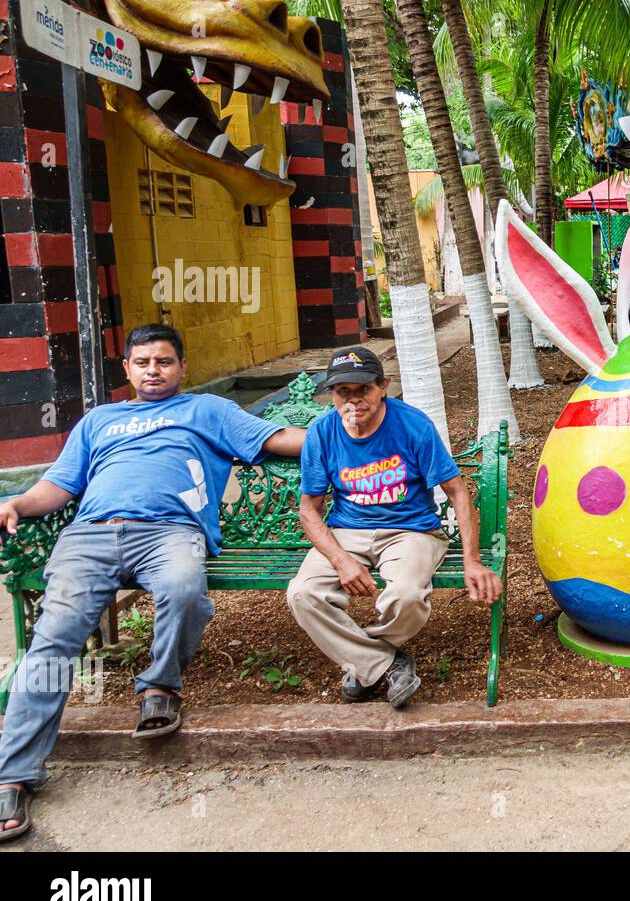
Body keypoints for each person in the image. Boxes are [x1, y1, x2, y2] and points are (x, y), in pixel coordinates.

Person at [0, 324, 306, 844]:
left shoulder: (208, 411)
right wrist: (16, 504)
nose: (153, 371)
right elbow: (60, 484)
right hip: (90, 537)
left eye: (164, 362)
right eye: (142, 362)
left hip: (170, 532)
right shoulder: (98, 421)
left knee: (186, 591)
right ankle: (13, 776)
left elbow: (280, 439)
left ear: (182, 367)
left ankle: (161, 686)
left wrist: (356, 436)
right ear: (127, 369)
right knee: (52, 642)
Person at [287, 346, 501, 708]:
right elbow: (309, 510)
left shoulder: (412, 425)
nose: (354, 400)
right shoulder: (322, 433)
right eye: (343, 392)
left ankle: (364, 661)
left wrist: (472, 559)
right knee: (302, 594)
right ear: (332, 395)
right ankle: (388, 663)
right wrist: (341, 561)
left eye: (363, 389)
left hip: (411, 531)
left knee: (406, 597)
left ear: (382, 387)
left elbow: (457, 491)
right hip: (347, 532)